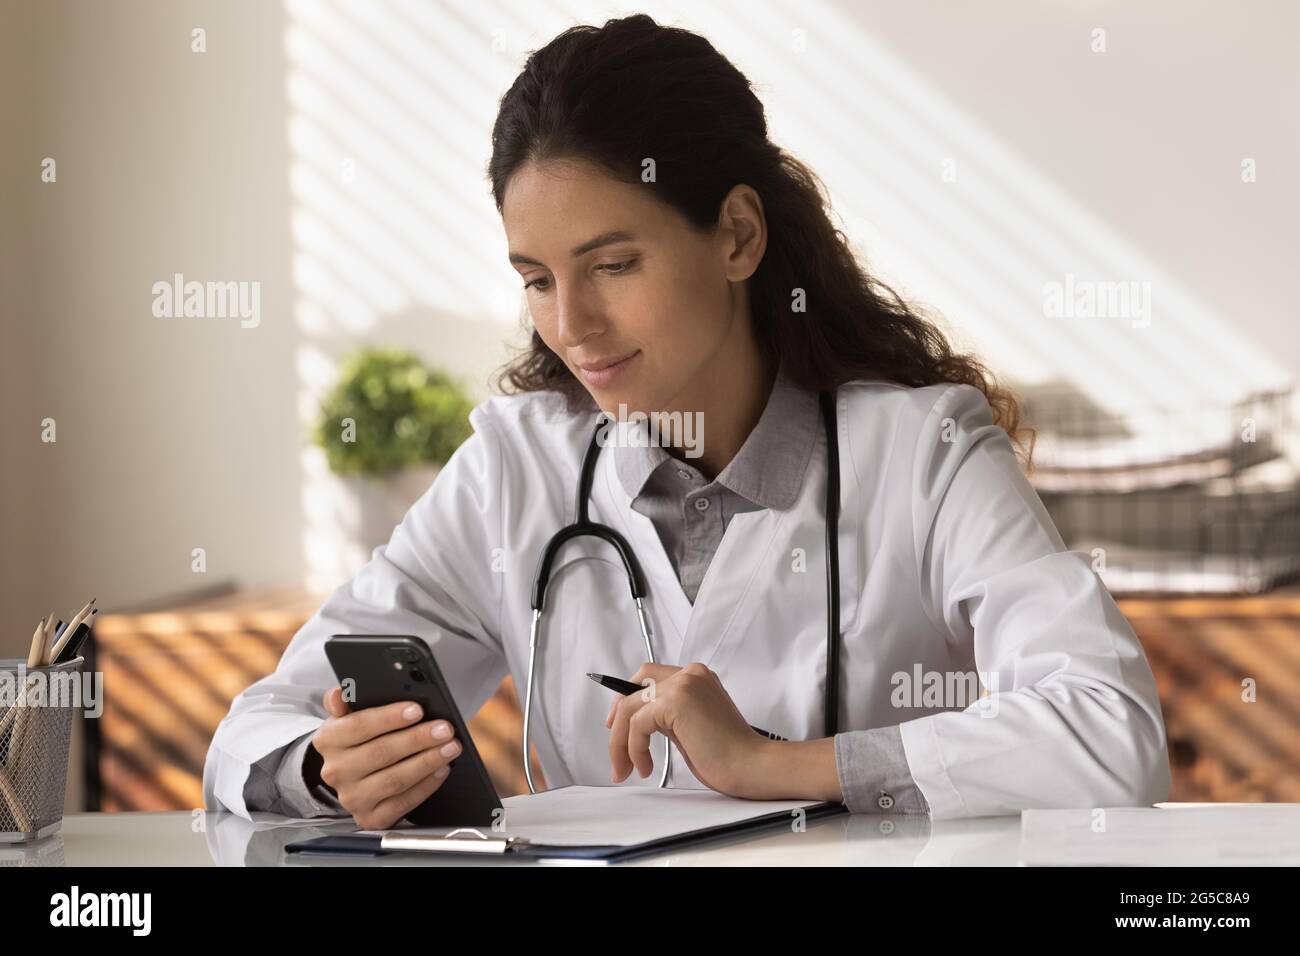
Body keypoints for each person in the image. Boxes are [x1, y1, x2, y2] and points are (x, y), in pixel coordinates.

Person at [203, 14, 1170, 829]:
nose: (572, 326)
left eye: (613, 265)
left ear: (738, 235)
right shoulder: (516, 466)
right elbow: (253, 730)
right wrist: (329, 769)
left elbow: (1110, 734)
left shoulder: (926, 454)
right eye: (538, 281)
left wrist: (774, 764)